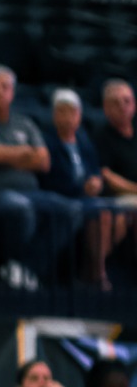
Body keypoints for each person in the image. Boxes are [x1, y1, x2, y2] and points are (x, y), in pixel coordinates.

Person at [0, 64, 81, 291]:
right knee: (21, 208)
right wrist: (24, 153)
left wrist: (4, 153)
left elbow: (44, 161)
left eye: (5, 87)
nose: (0, 91)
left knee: (71, 210)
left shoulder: (25, 123)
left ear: (13, 92)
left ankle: (24, 267)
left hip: (30, 191)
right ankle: (14, 269)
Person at [43, 88, 131, 290]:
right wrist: (81, 187)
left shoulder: (83, 140)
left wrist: (96, 182)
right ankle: (97, 273)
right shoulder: (49, 141)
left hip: (87, 197)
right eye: (62, 112)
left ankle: (92, 269)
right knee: (100, 213)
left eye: (72, 112)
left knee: (115, 215)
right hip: (64, 196)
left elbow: (94, 169)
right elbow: (50, 177)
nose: (68, 117)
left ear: (79, 115)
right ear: (54, 115)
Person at [96, 80, 137, 207]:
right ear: (106, 107)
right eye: (116, 103)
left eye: (127, 101)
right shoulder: (101, 136)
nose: (122, 106)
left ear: (134, 104)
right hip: (121, 196)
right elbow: (107, 175)